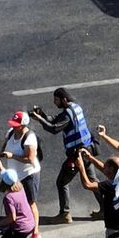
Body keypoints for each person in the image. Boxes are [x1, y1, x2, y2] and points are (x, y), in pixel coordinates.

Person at [29, 88, 93, 225]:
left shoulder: (67, 114)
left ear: (64, 99)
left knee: (62, 182)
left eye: (56, 100)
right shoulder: (75, 108)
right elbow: (55, 120)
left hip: (77, 155)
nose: (54, 102)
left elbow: (54, 128)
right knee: (93, 181)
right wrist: (42, 114)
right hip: (88, 151)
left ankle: (65, 214)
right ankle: (105, 209)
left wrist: (39, 119)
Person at [0, 110, 41, 236]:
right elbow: (4, 146)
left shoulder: (29, 138)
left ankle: (36, 230)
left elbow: (30, 159)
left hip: (28, 174)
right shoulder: (10, 133)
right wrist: (0, 156)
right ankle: (15, 223)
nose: (13, 126)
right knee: (15, 200)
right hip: (14, 175)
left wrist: (12, 156)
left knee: (30, 202)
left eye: (16, 125)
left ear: (23, 125)